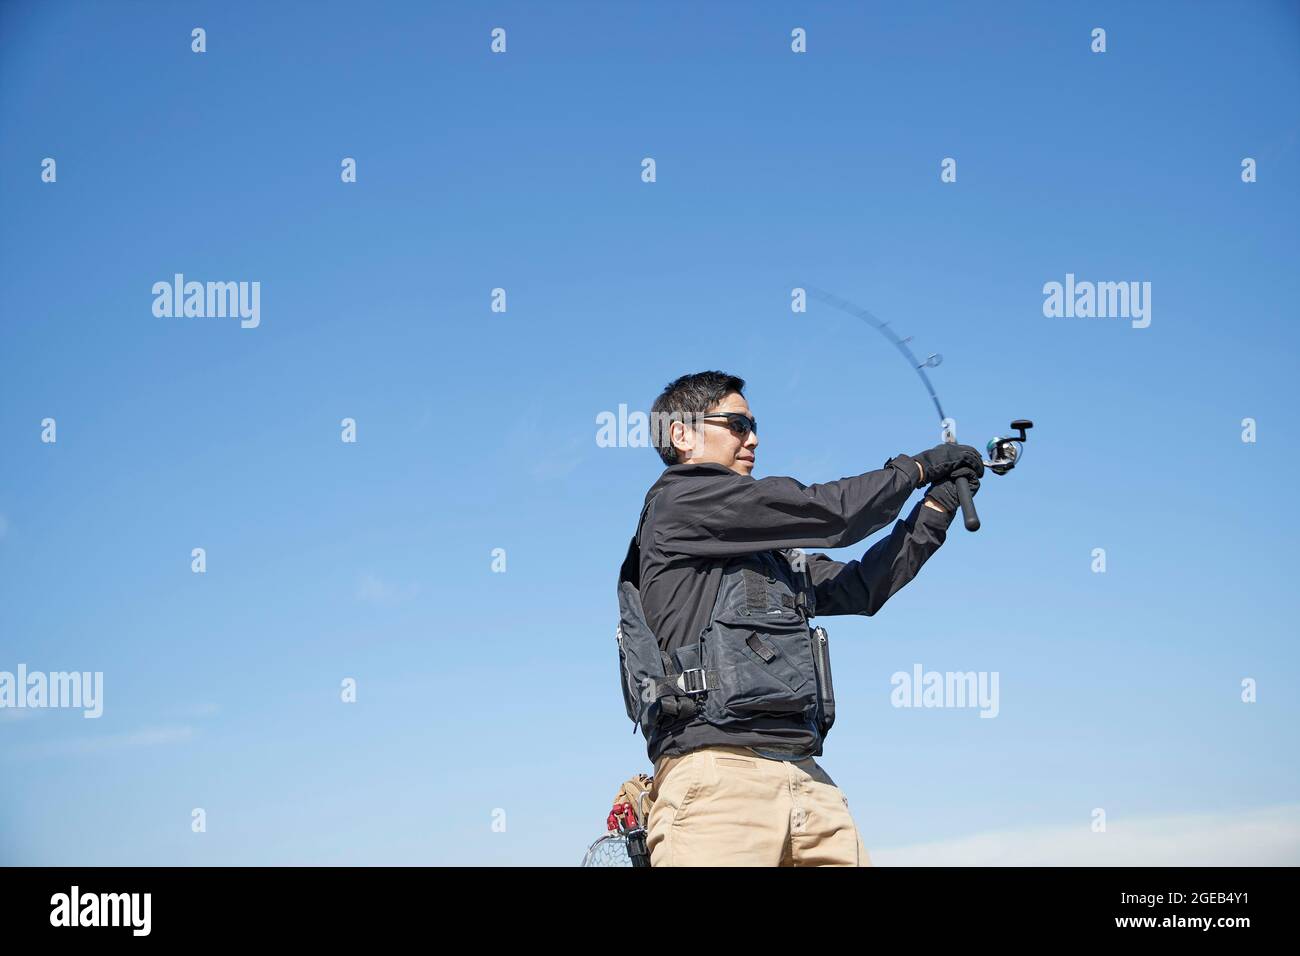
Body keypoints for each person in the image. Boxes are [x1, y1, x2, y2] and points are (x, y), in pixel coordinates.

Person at [615, 370, 983, 866]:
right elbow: (831, 514)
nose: (754, 438)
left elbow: (861, 587)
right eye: (738, 424)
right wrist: (918, 468)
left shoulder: (769, 557)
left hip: (809, 782)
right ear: (681, 434)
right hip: (715, 783)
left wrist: (936, 506)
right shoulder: (680, 502)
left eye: (755, 425)